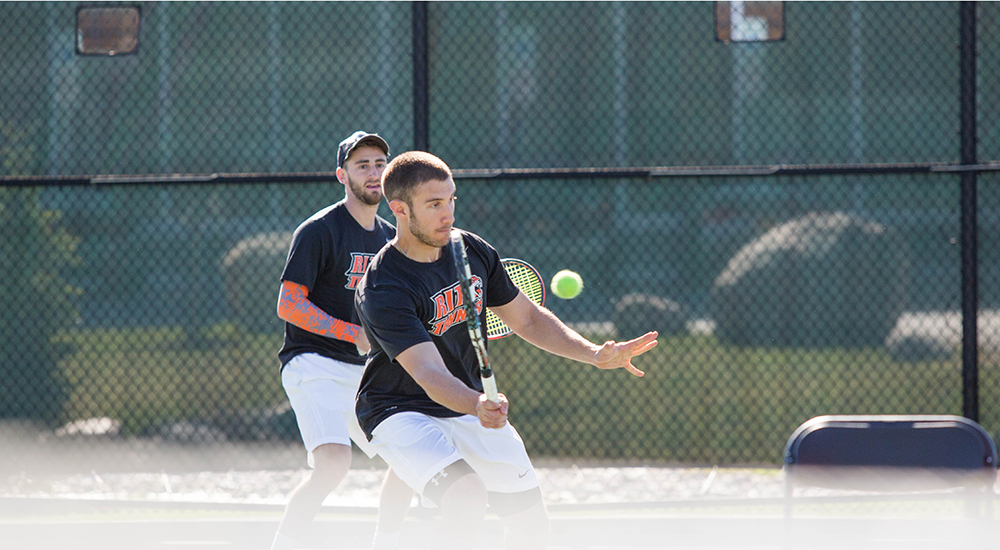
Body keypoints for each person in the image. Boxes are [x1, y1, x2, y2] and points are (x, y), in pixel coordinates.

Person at [354, 150, 659, 549]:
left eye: (451, 200)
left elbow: (528, 319)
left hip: (465, 404)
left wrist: (594, 354)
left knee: (532, 528)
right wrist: (478, 403)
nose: (448, 214)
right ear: (400, 210)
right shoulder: (382, 286)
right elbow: (428, 373)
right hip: (398, 408)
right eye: (433, 205)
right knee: (465, 497)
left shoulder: (471, 251)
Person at [272, 131, 414, 550]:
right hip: (312, 362)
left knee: (410, 460)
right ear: (342, 175)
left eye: (379, 163)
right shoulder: (318, 230)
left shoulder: (393, 238)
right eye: (361, 165)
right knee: (333, 464)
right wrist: (352, 332)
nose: (373, 172)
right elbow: (289, 303)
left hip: (364, 373)